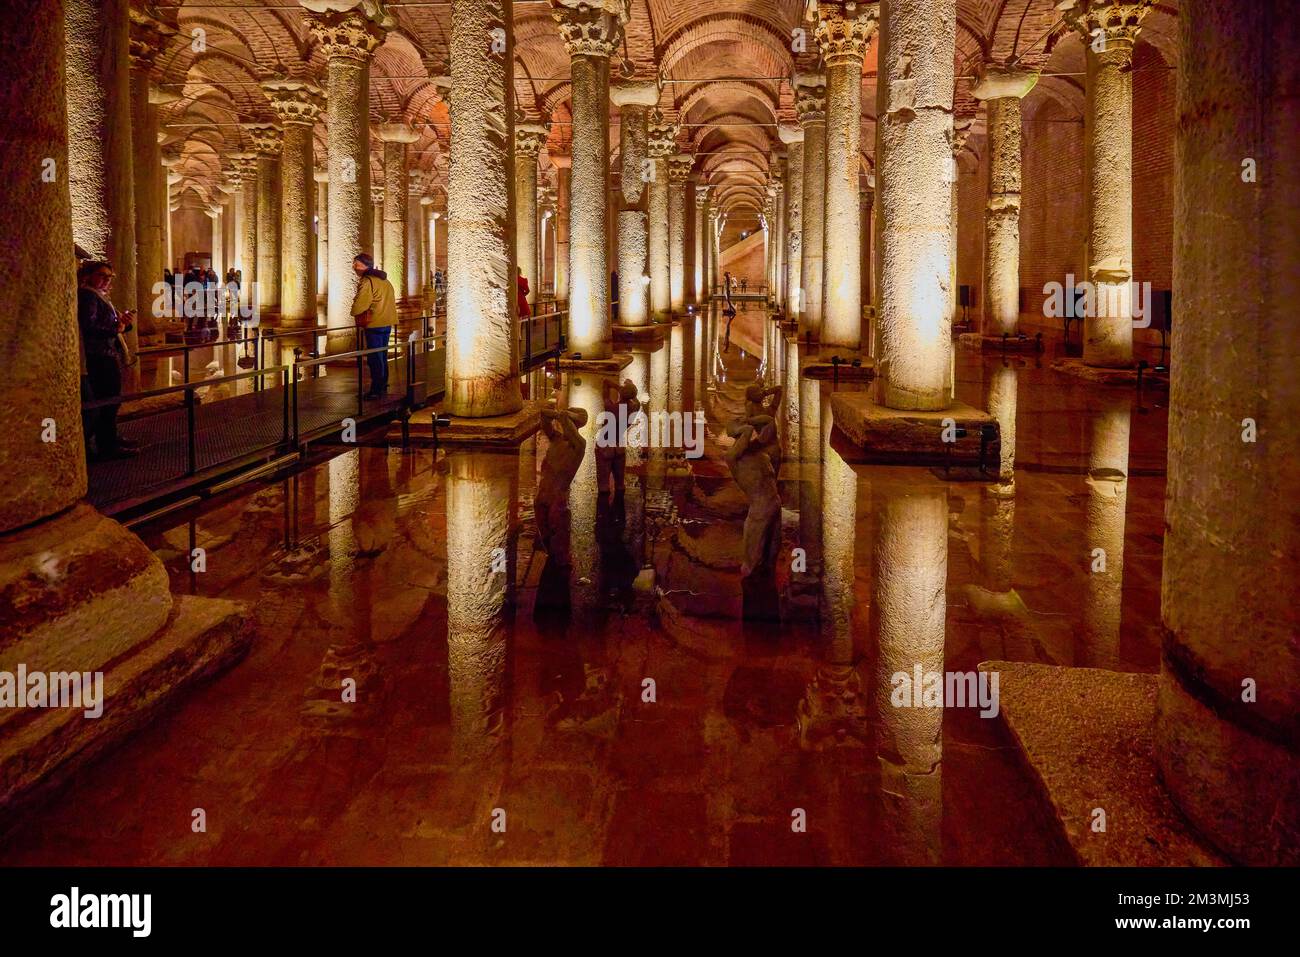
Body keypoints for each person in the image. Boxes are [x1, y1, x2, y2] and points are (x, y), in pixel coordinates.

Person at [77, 261, 137, 460]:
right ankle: (107, 445)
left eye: (110, 277)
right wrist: (116, 328)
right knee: (108, 400)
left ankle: (109, 438)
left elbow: (114, 325)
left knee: (112, 400)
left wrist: (124, 324)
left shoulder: (100, 297)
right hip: (99, 357)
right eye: (102, 275)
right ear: (88, 275)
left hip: (106, 354)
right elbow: (89, 326)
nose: (106, 280)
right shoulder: (87, 296)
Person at [351, 253, 397, 398]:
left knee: (374, 358)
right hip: (387, 322)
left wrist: (353, 311)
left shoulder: (368, 281)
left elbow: (360, 305)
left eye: (356, 264)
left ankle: (376, 390)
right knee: (382, 355)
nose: (354, 267)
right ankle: (383, 384)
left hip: (374, 323)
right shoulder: (385, 281)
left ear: (365, 266)